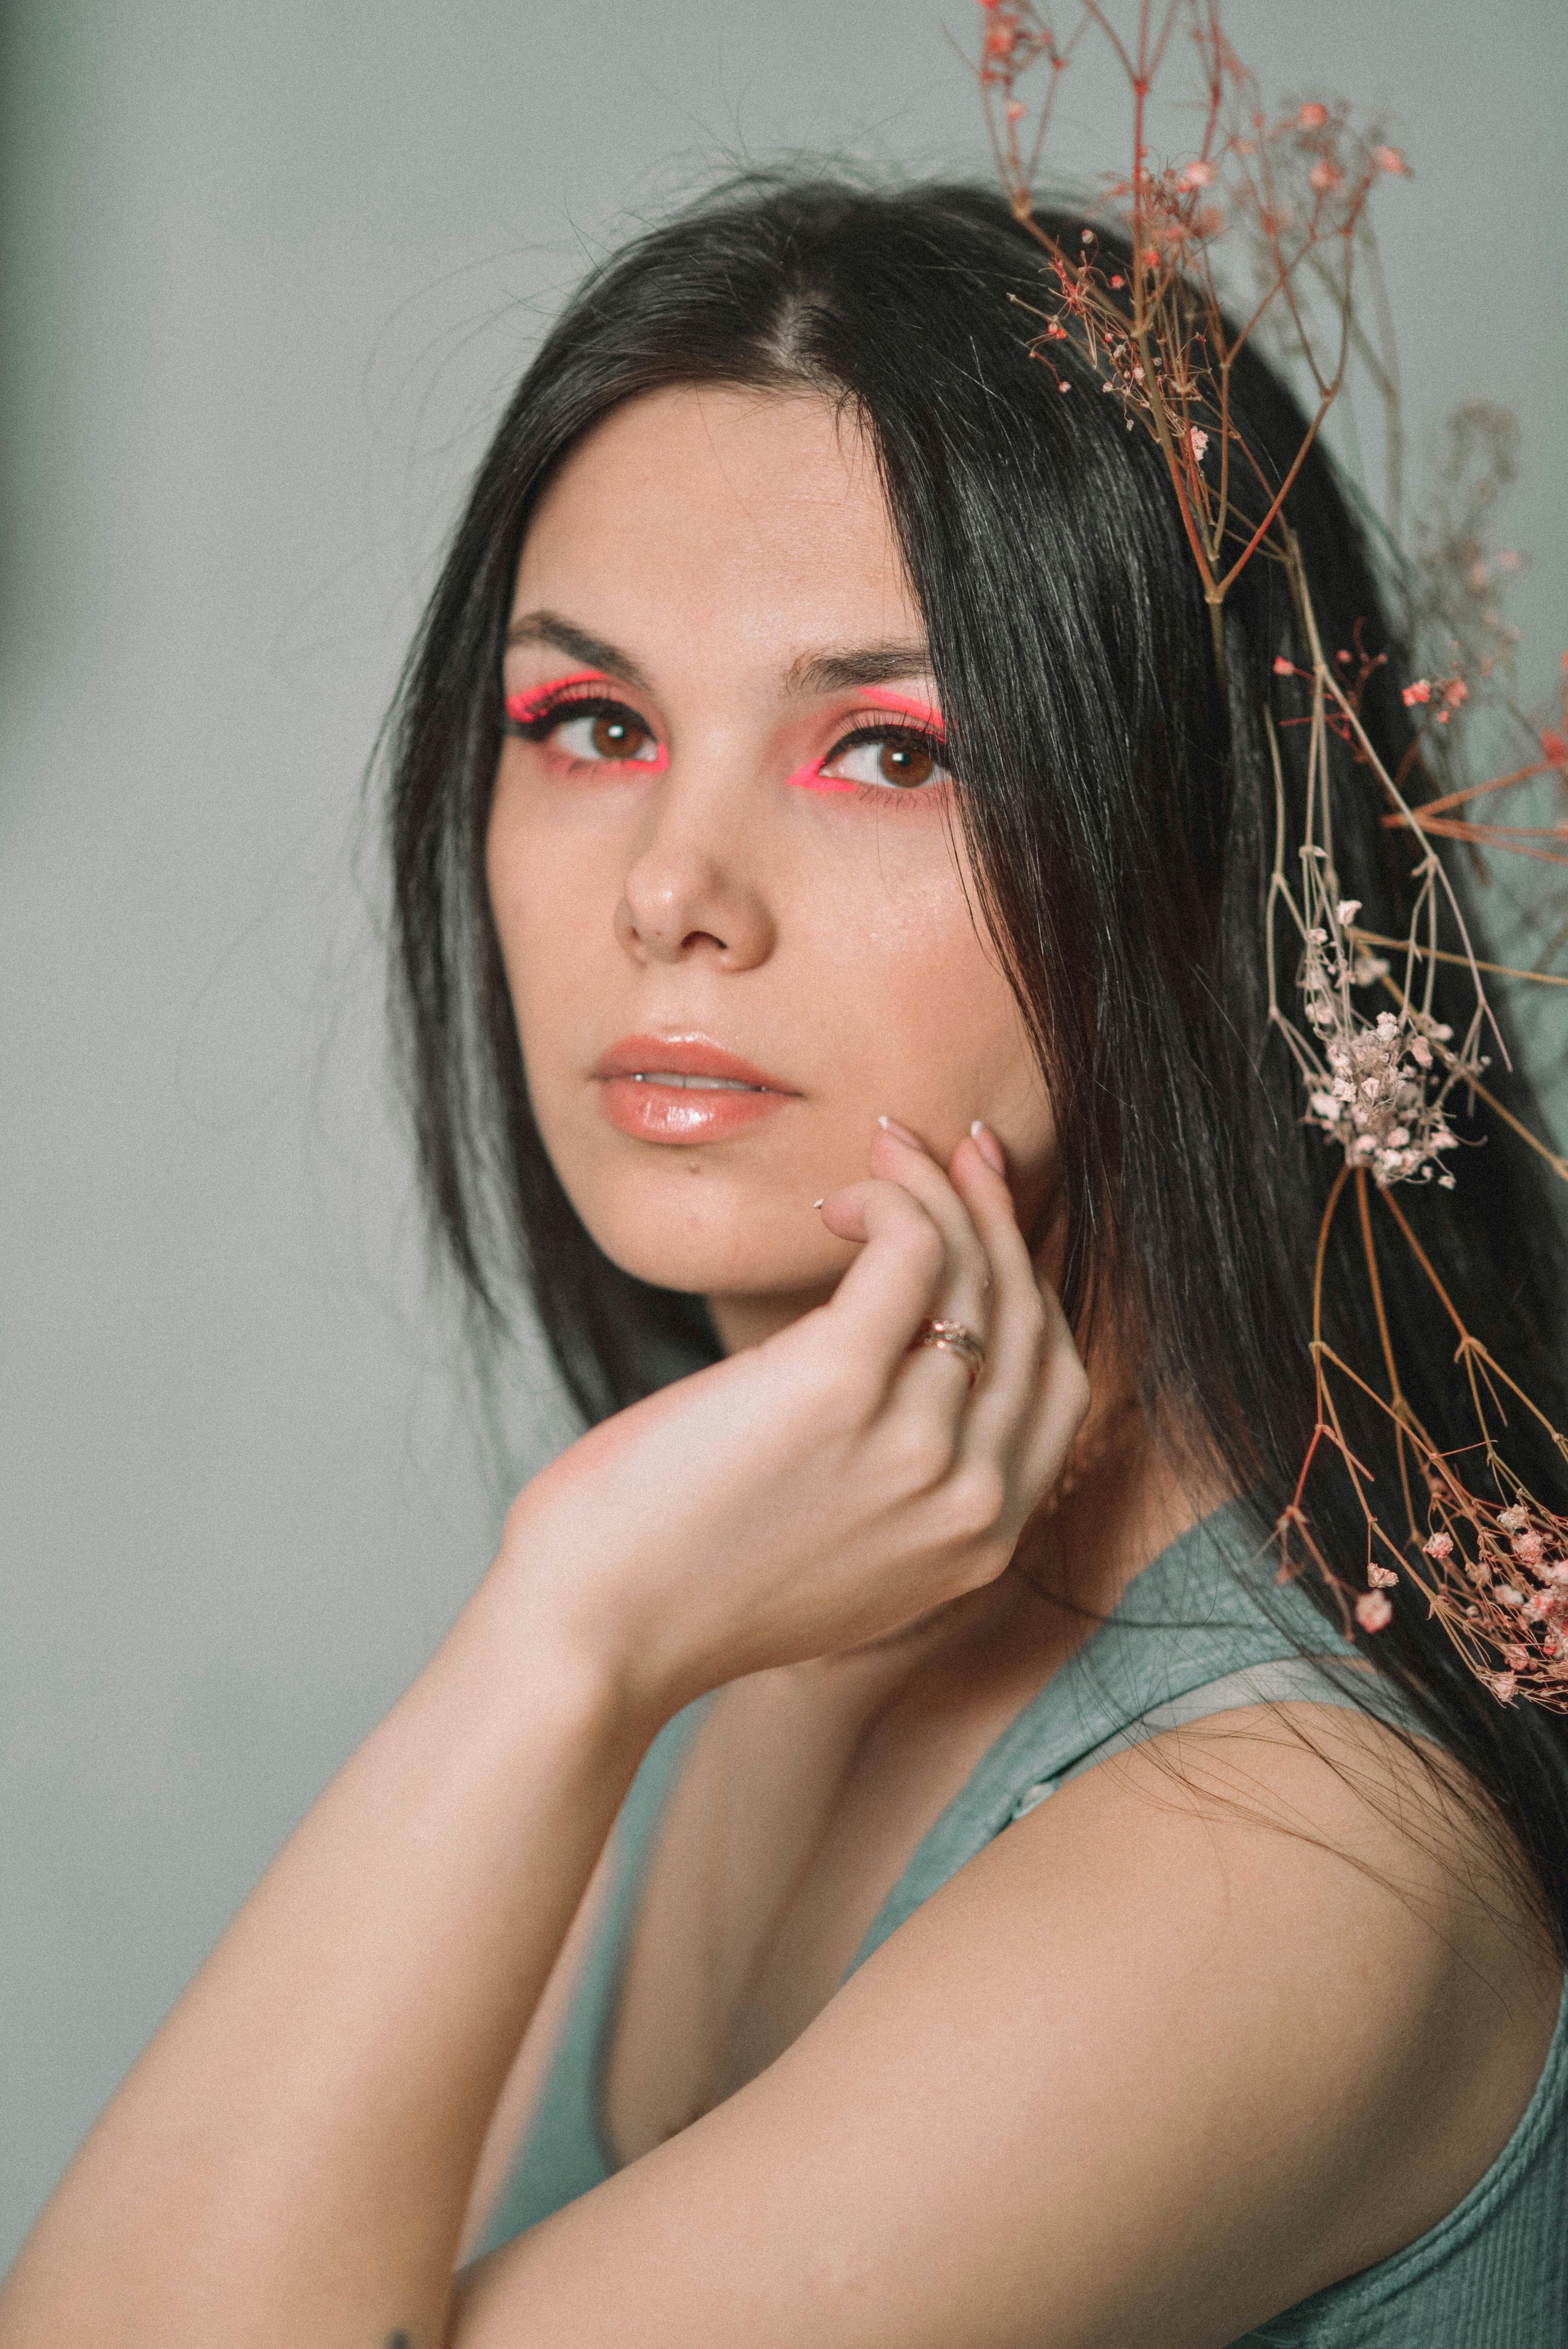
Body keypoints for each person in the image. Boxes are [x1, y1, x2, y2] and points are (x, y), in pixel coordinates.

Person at [4, 175, 1566, 2349]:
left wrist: (567, 1629)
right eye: (594, 725)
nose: (672, 890)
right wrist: (595, 1641)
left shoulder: (1286, 1859)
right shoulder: (764, 1575)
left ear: (1203, 863)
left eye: (890, 751)